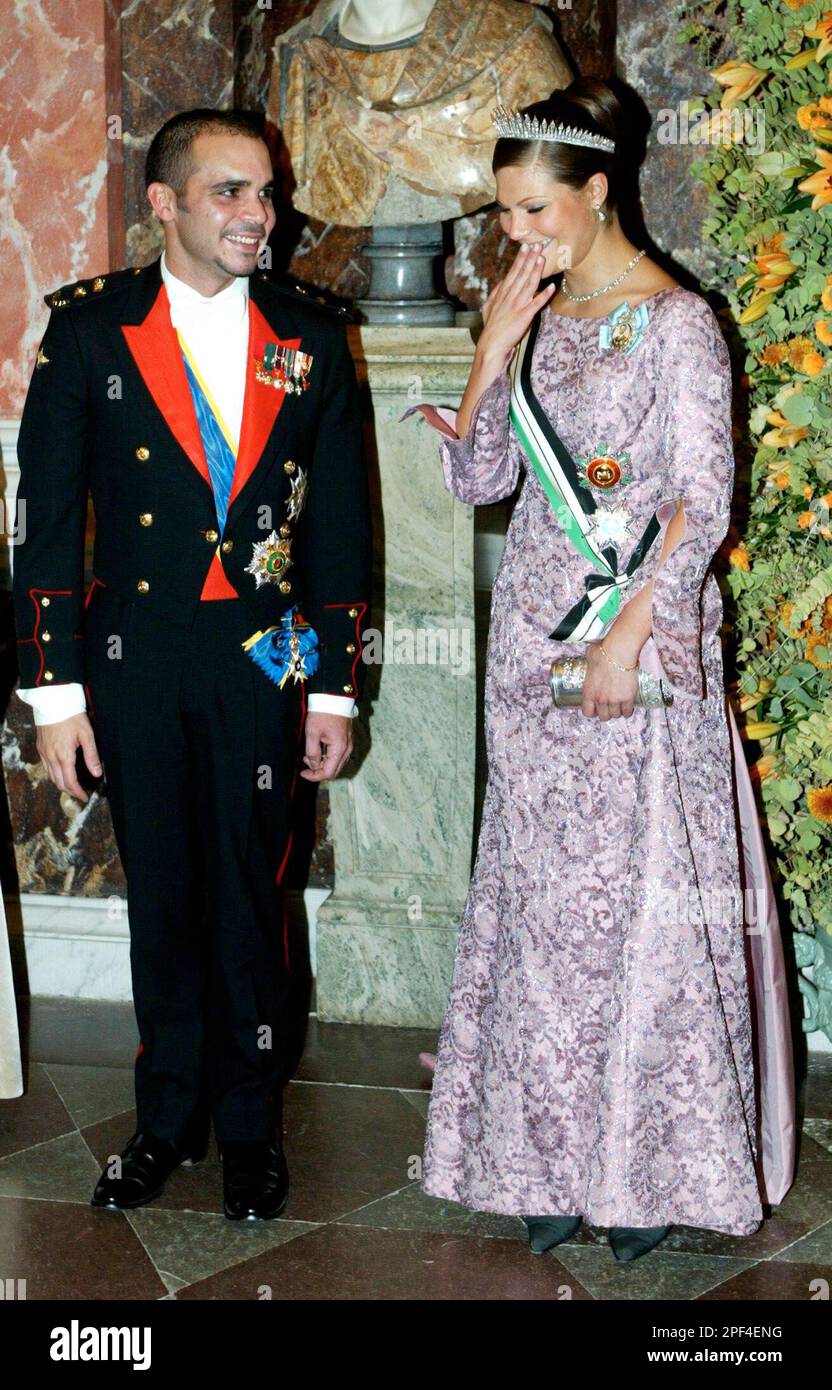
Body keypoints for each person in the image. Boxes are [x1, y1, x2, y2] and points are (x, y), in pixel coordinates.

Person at [406, 78, 795, 1263]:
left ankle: (647, 1168)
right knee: (542, 906)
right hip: (528, 639)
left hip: (641, 633)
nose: (514, 234)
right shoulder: (526, 311)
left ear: (596, 192)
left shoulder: (677, 322)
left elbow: (703, 500)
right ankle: (539, 1154)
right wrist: (489, 351)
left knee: (644, 906)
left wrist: (627, 636)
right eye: (504, 212)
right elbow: (476, 483)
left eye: (533, 210)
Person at [12, 108, 372, 1220]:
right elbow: (48, 522)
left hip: (266, 654)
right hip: (137, 655)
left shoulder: (306, 333)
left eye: (265, 193)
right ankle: (166, 1118)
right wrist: (56, 695)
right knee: (162, 892)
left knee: (258, 895)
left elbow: (342, 529)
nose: (256, 216)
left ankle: (254, 1128)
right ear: (163, 202)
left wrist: (332, 685)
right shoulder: (91, 332)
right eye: (228, 192)